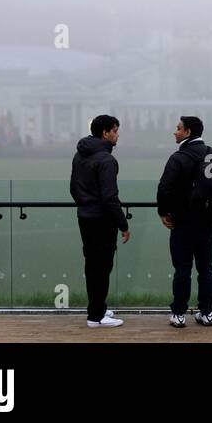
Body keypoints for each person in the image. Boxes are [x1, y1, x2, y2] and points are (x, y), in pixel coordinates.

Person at [156, 117, 212, 328]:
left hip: (183, 222)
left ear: (188, 132)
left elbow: (164, 188)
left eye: (178, 128)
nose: (174, 132)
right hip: (207, 221)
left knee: (182, 269)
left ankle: (178, 314)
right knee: (206, 268)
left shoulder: (178, 157)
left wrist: (163, 212)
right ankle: (207, 312)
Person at [70, 115, 130, 328]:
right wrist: (123, 224)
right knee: (103, 267)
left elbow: (73, 188)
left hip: (84, 217)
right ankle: (96, 317)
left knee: (92, 266)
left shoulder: (79, 155)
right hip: (102, 221)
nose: (117, 134)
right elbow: (110, 198)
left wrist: (86, 204)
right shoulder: (106, 161)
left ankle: (97, 308)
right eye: (115, 130)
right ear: (105, 133)